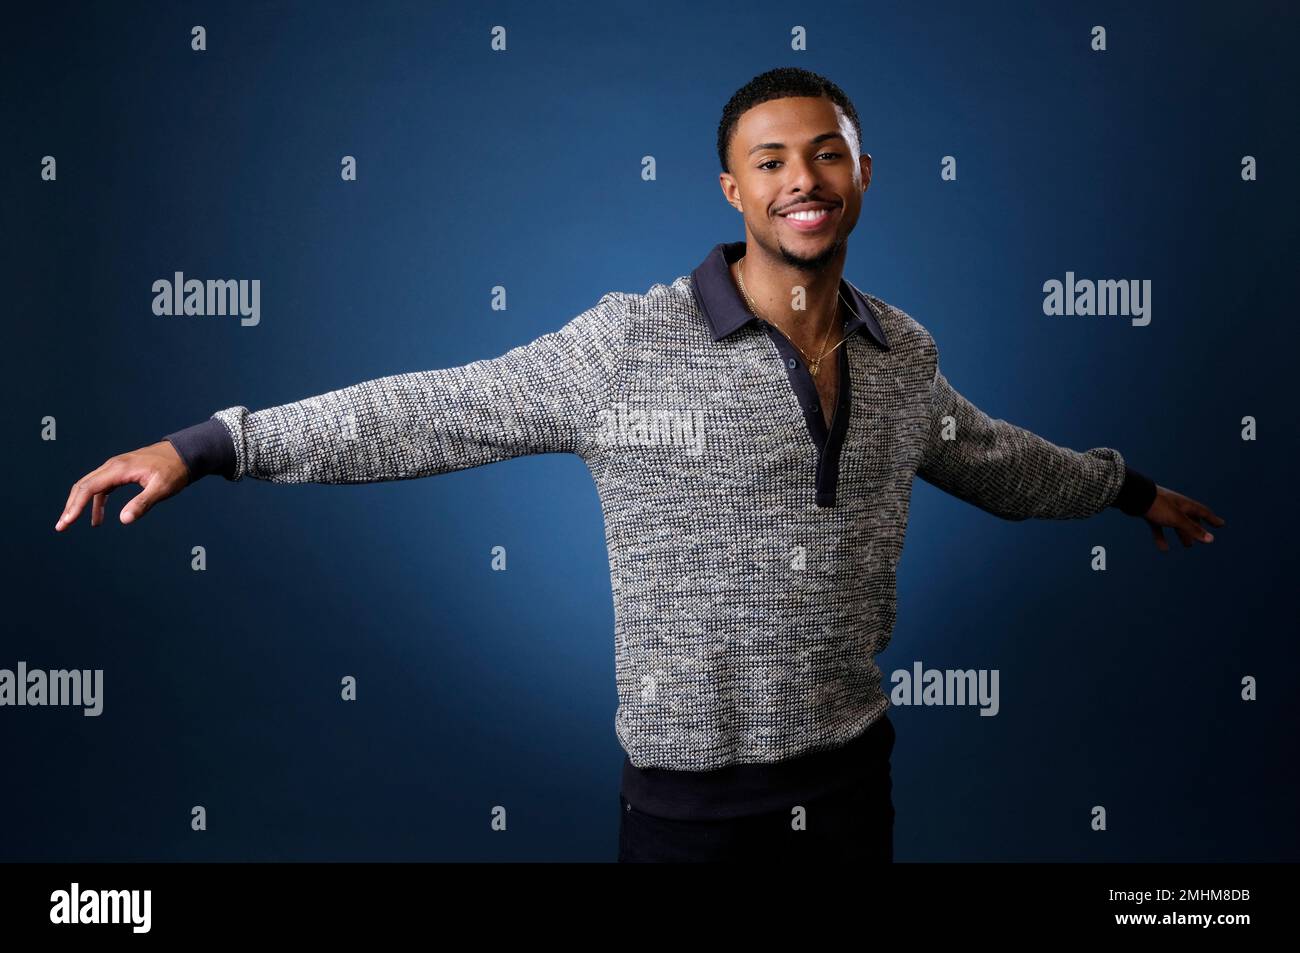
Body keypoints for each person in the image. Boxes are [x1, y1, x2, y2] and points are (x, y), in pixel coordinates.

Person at [53, 67, 1225, 863]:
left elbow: (997, 459)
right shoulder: (628, 344)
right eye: (771, 160)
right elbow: (432, 410)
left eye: (827, 154)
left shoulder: (902, 353)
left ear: (865, 174)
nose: (803, 179)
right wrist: (212, 445)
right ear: (734, 190)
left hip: (853, 781)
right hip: (687, 810)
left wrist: (1126, 488)